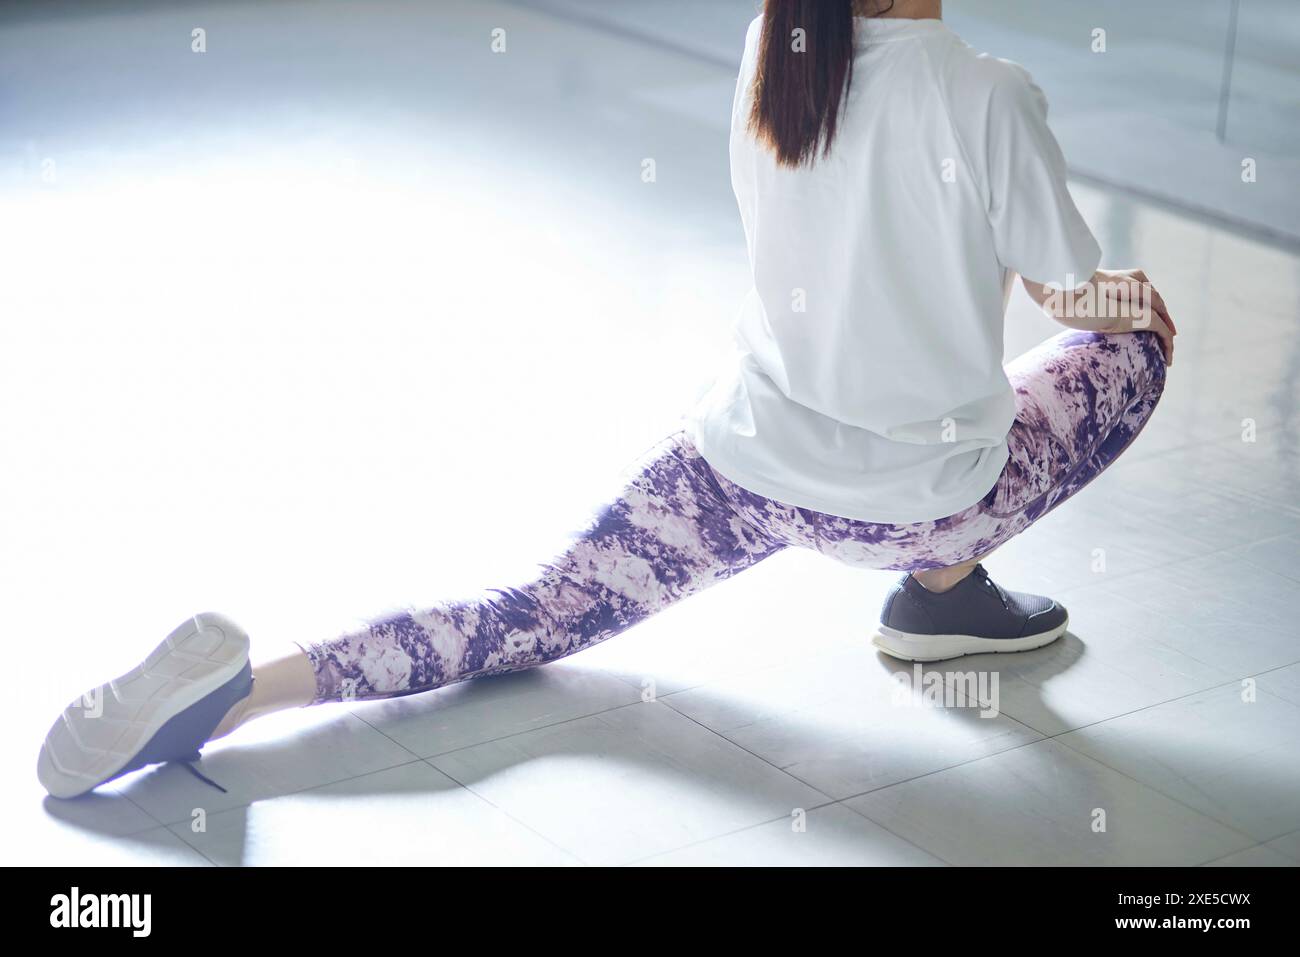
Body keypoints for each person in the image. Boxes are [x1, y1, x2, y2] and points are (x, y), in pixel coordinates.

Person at [38, 0, 1174, 799]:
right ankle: (937, 582)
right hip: (915, 502)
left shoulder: (775, 49)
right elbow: (1068, 287)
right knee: (1134, 343)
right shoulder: (986, 91)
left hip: (742, 461)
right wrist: (1138, 296)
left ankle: (243, 692)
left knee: (526, 608)